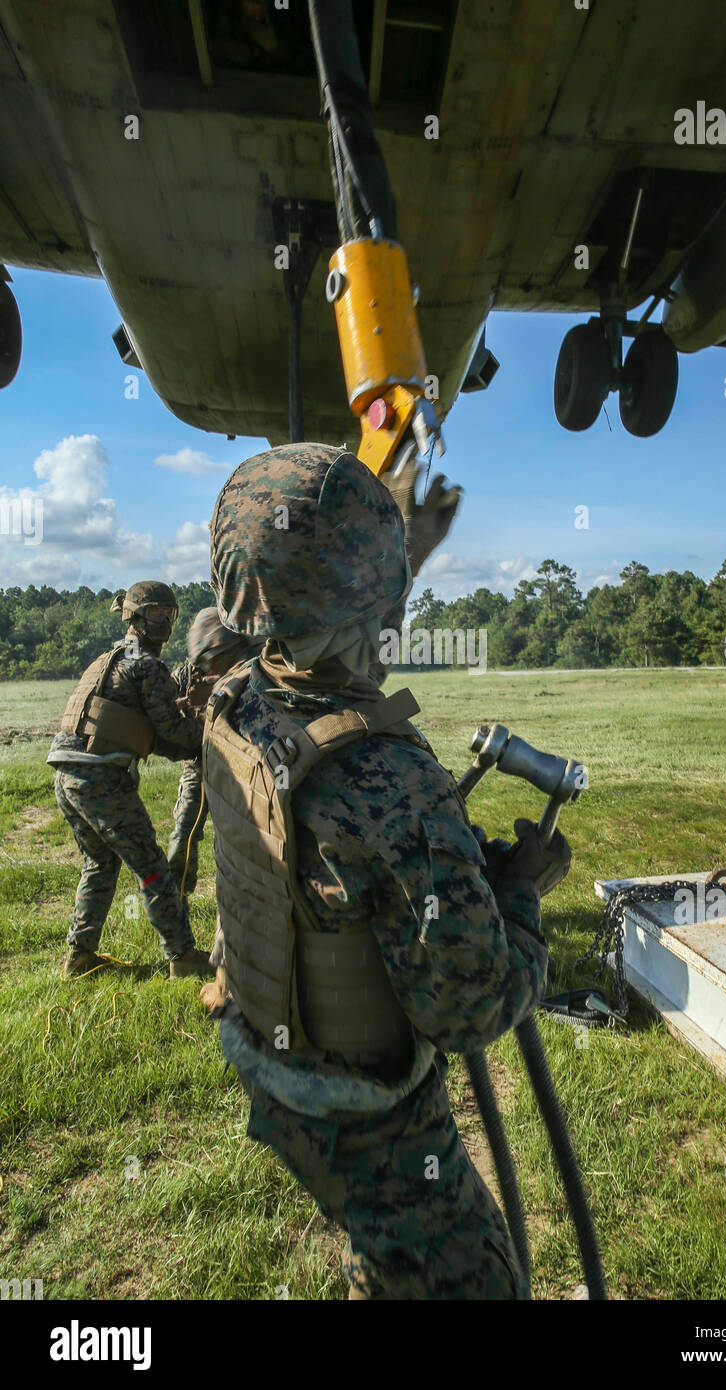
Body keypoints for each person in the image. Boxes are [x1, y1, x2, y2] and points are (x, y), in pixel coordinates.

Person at [201, 444, 571, 1299]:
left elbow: (294, 582)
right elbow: (471, 1008)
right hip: (364, 1120)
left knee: (377, 1251)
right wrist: (518, 898)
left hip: (267, 1062)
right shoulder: (392, 786)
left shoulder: (233, 694)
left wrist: (395, 545)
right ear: (371, 602)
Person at [48, 581, 214, 980]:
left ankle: (79, 957)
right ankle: (182, 957)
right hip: (100, 778)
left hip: (68, 775)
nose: (165, 623)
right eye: (157, 614)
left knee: (100, 863)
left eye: (170, 615)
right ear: (135, 617)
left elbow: (151, 736)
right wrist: (213, 733)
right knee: (152, 867)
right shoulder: (145, 665)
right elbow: (171, 732)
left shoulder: (107, 659)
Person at [166, 607, 262, 901]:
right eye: (205, 660)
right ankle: (176, 895)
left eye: (214, 659)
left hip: (242, 764)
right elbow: (162, 707)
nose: (209, 668)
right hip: (198, 762)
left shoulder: (252, 671)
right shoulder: (185, 675)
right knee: (184, 832)